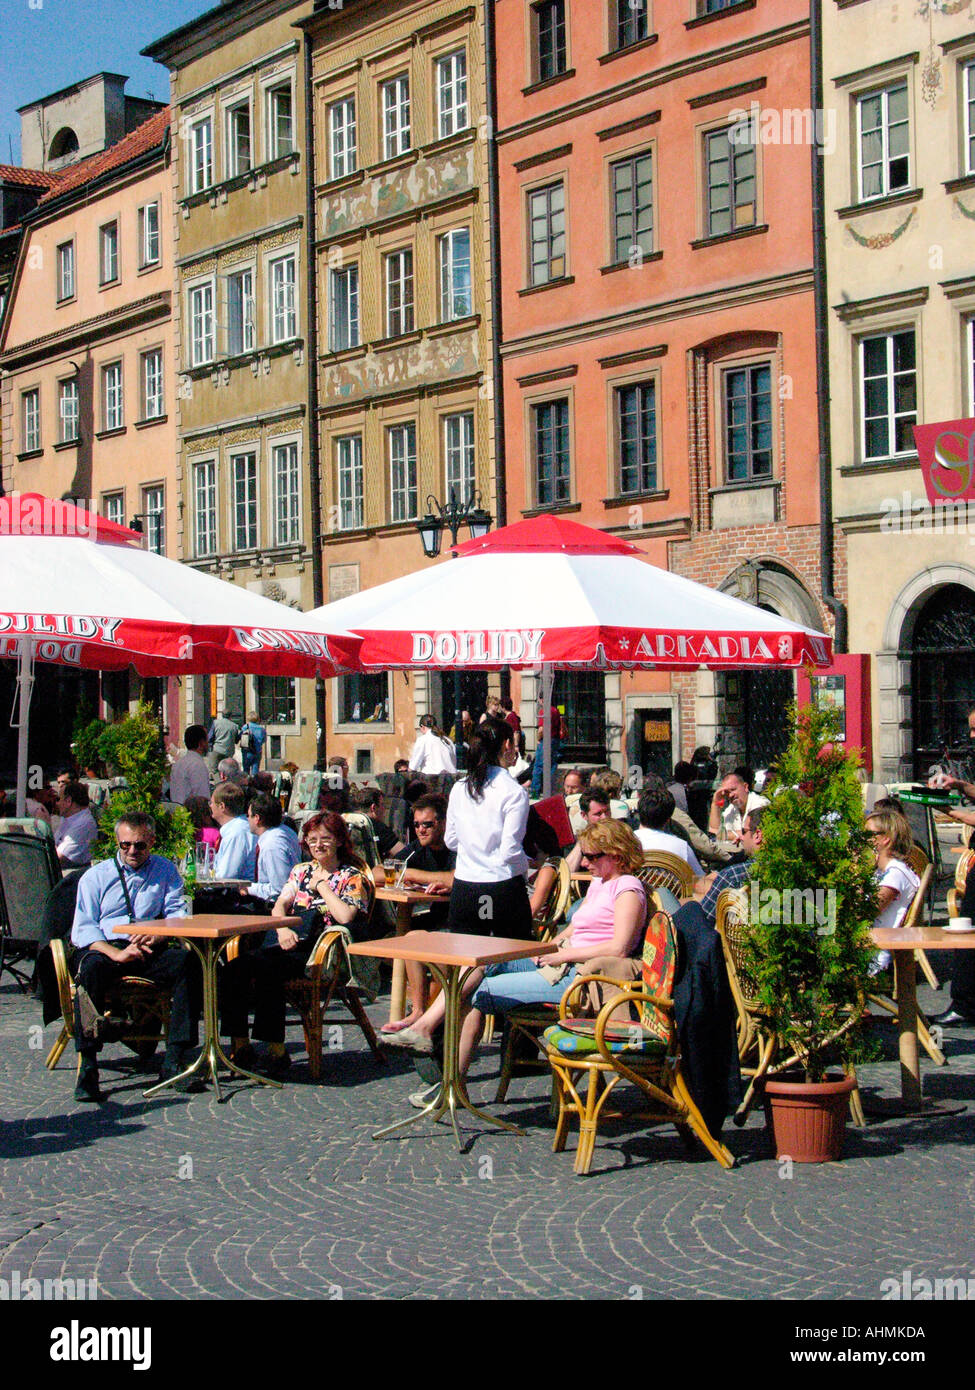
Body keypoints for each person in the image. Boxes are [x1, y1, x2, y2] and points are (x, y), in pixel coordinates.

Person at [402, 818, 647, 1079]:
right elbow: (576, 928)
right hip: (562, 961)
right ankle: (430, 1036)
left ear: (616, 854)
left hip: (579, 977)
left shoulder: (628, 889)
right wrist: (549, 948)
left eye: (590, 857)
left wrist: (562, 954)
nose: (585, 863)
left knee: (476, 992)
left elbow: (619, 947)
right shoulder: (601, 883)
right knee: (481, 959)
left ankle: (449, 1076)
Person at [383, 721, 532, 1054]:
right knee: (512, 963)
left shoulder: (461, 788)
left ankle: (448, 1063)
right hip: (499, 888)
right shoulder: (512, 792)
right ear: (507, 746)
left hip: (466, 888)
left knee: (465, 970)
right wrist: (529, 868)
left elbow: (450, 839)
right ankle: (519, 1051)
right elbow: (510, 851)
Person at [222, 812, 371, 1075]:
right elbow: (281, 903)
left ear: (338, 841)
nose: (318, 845)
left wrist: (323, 887)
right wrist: (281, 928)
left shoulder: (352, 876)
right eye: (312, 839)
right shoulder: (301, 871)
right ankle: (240, 1043)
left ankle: (276, 1049)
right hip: (289, 939)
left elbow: (346, 916)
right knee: (236, 965)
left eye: (325, 838)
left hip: (321, 951)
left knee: (268, 968)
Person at [70, 812, 197, 1102]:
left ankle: (175, 1057)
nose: (132, 852)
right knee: (89, 971)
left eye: (140, 846)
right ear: (117, 842)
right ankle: (88, 1065)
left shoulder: (165, 870)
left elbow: (178, 912)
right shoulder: (96, 876)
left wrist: (160, 934)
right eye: (126, 845)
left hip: (149, 944)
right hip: (106, 947)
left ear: (151, 842)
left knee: (189, 964)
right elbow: (83, 928)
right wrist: (116, 952)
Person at [380, 793, 456, 1035]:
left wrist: (411, 875)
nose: (421, 830)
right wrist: (409, 874)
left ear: (443, 823)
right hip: (437, 916)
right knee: (407, 937)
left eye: (428, 824)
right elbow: (377, 872)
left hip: (463, 920)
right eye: (416, 825)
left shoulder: (456, 846)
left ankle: (437, 1014)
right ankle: (419, 1010)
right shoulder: (416, 850)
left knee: (433, 945)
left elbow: (454, 878)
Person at [865, 808, 921, 978]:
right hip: (865, 942)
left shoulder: (895, 874)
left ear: (885, 839)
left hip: (874, 952)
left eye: (867, 834)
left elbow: (867, 911)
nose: (861, 839)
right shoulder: (880, 871)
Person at [693, 807, 765, 926]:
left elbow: (704, 919)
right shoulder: (797, 871)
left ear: (757, 835)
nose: (741, 837)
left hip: (723, 941)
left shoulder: (733, 875)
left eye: (744, 831)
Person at [241, 793, 301, 910]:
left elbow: (280, 888)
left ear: (257, 818)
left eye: (248, 816)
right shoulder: (286, 831)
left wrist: (248, 888)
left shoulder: (272, 845)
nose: (247, 819)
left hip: (275, 908)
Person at [635, 780, 705, 877]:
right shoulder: (681, 847)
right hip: (673, 891)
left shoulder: (624, 842)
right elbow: (699, 878)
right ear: (668, 819)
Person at [707, 766, 768, 845]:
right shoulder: (732, 808)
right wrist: (715, 803)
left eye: (733, 790)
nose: (730, 795)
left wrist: (726, 834)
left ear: (745, 787)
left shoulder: (760, 803)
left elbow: (754, 834)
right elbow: (714, 831)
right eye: (727, 792)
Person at [209, 782, 257, 880]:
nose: (210, 806)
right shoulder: (236, 828)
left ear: (222, 806)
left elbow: (226, 875)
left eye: (212, 803)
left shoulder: (236, 832)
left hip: (238, 892)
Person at [565, 787, 613, 872]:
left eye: (607, 811)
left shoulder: (621, 836)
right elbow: (567, 873)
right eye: (598, 814)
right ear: (584, 815)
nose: (604, 817)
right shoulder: (574, 842)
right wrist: (583, 841)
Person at [54, 781, 99, 868]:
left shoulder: (84, 824)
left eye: (58, 799)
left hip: (74, 874)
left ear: (68, 801)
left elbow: (56, 857)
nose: (57, 803)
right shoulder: (68, 818)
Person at [351, 785, 401, 860]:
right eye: (382, 805)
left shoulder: (344, 821)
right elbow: (403, 853)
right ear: (373, 807)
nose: (384, 809)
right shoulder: (378, 827)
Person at [530, 698, 564, 799]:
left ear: (541, 699)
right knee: (552, 765)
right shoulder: (555, 710)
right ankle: (550, 790)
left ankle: (535, 792)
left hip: (545, 740)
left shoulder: (544, 711)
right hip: (555, 740)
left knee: (538, 766)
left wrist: (538, 739)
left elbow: (541, 729)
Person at [169, 725, 211, 805]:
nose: (208, 743)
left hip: (177, 811)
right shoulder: (197, 765)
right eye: (206, 740)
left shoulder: (178, 764)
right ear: (201, 743)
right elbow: (202, 797)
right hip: (191, 812)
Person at [239, 711, 266, 776]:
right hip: (257, 751)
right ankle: (254, 783)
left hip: (247, 751)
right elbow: (263, 740)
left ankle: (246, 784)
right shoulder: (261, 729)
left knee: (246, 770)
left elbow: (240, 736)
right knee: (255, 770)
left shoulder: (245, 727)